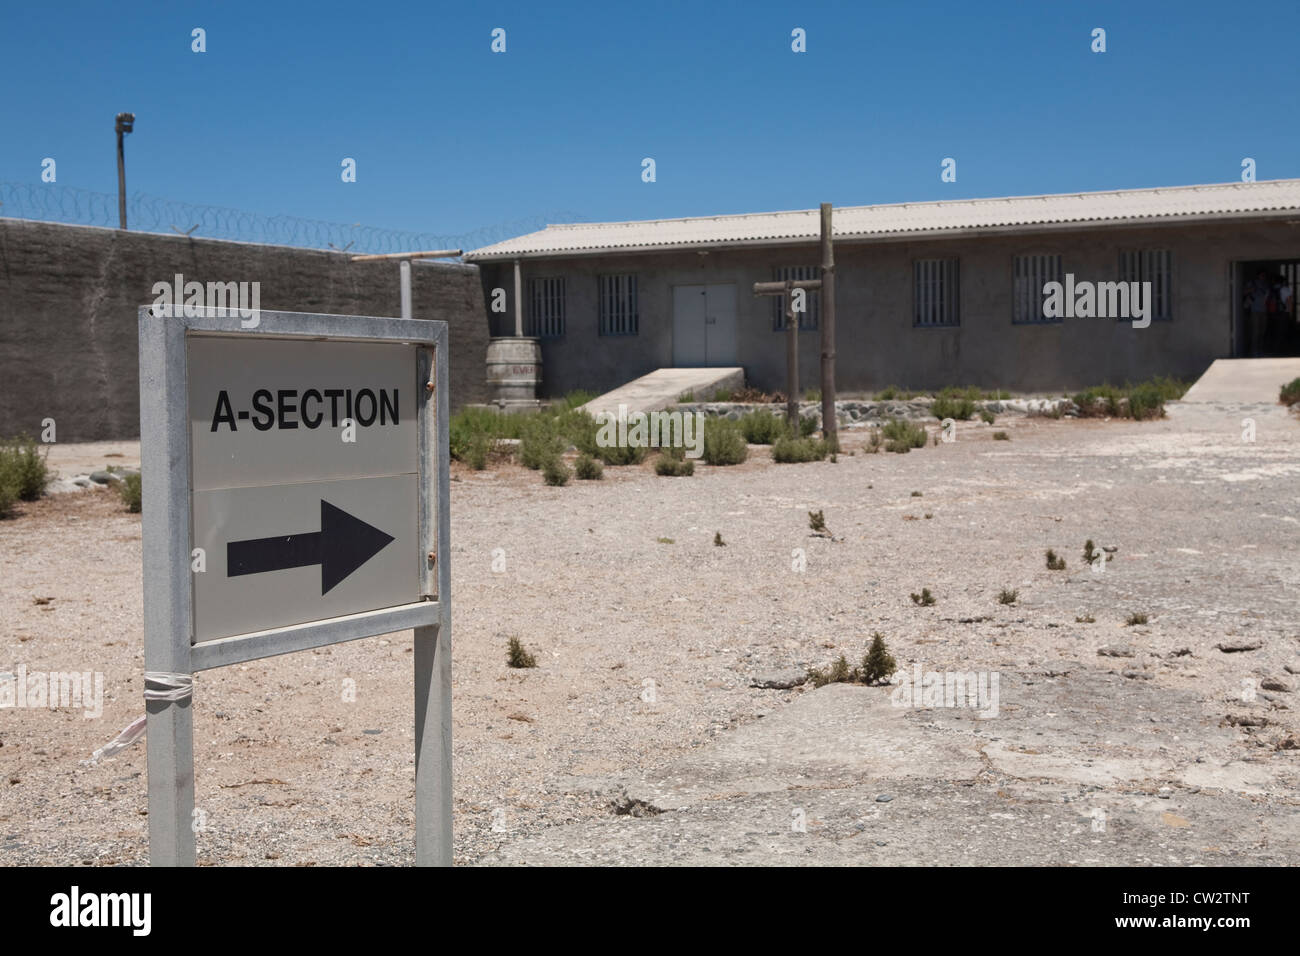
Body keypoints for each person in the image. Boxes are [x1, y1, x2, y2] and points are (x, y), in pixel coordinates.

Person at [1247, 270, 1271, 356]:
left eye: (1264, 275)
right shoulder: (1252, 283)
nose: (1263, 276)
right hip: (1255, 310)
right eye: (1261, 275)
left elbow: (1268, 296)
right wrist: (1252, 289)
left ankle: (1260, 350)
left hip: (1263, 310)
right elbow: (1245, 291)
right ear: (1258, 275)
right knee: (1255, 331)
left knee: (1262, 331)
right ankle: (1254, 351)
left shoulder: (1266, 284)